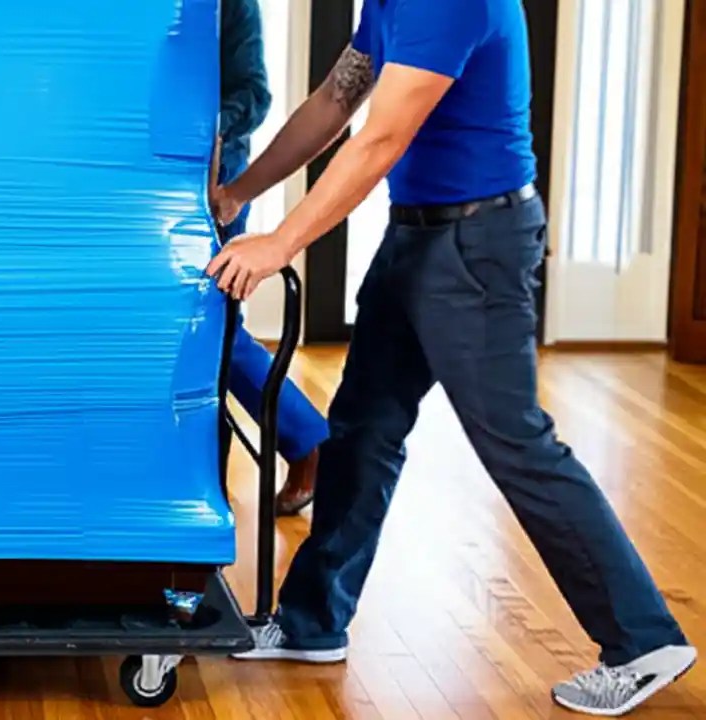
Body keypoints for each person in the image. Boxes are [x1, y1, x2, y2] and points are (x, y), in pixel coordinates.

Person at [208, 0, 696, 715]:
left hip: (478, 244)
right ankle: (313, 623)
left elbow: (381, 140)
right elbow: (332, 102)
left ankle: (644, 639)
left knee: (515, 441)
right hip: (417, 237)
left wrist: (280, 242)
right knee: (363, 430)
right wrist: (238, 194)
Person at [218, 0, 329, 516]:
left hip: (216, 182)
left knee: (213, 329)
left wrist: (202, 124)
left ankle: (305, 442)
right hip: (131, 176)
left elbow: (255, 94)